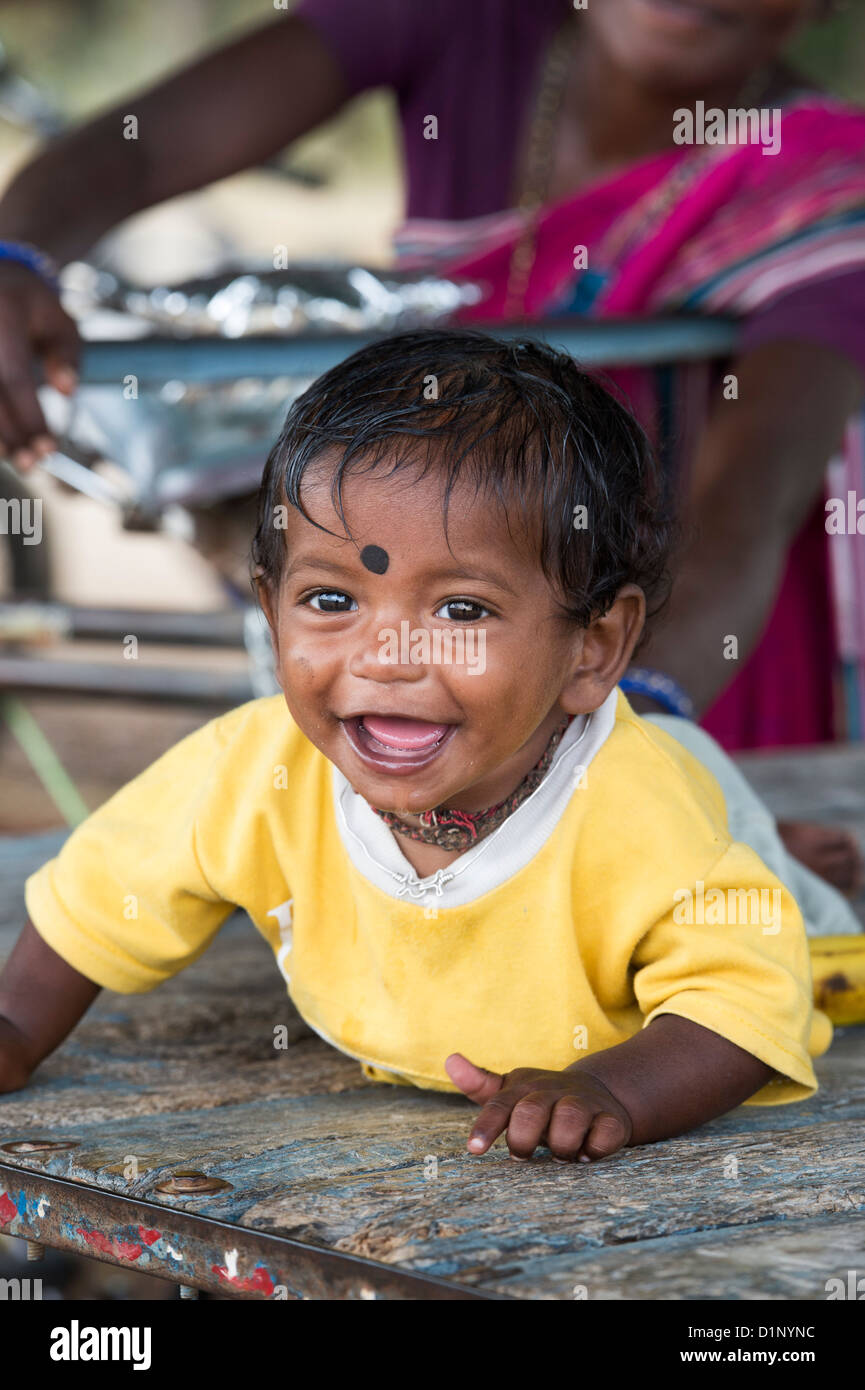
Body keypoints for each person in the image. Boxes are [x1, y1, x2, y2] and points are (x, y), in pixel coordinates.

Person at [0, 0, 861, 883]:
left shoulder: (822, 190)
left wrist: (628, 763)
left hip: (694, 658)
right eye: (324, 603)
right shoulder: (456, 21)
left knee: (645, 906)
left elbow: (744, 507)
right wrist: (16, 256)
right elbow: (143, 142)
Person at [0, 330, 856, 1164]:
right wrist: (14, 1030)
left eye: (461, 611)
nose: (386, 660)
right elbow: (99, 889)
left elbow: (748, 996)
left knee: (781, 909)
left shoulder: (637, 809)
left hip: (690, 807)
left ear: (593, 647)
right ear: (269, 607)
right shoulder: (255, 767)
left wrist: (614, 1089)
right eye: (331, 600)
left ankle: (776, 854)